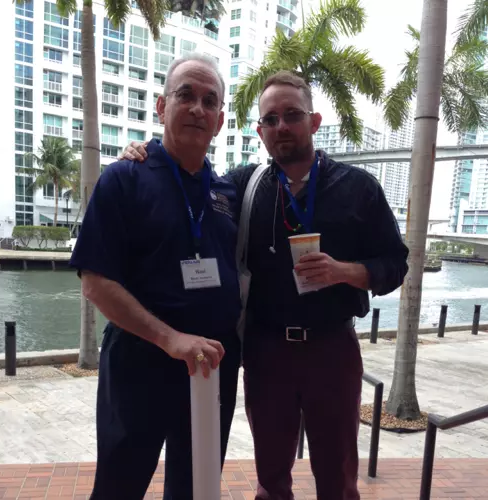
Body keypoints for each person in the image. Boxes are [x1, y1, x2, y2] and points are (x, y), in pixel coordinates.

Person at [121, 70, 409, 500]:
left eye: (291, 115)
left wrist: (344, 271)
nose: (281, 127)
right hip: (267, 353)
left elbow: (396, 264)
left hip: (332, 350)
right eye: (270, 119)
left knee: (339, 479)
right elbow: (189, 180)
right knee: (271, 480)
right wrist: (143, 153)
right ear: (259, 130)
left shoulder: (358, 188)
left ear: (313, 121)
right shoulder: (244, 186)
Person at [69, 54, 242, 500]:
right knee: (119, 486)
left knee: (196, 488)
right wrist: (170, 339)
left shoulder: (226, 192)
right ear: (162, 107)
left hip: (209, 368)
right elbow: (95, 282)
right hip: (139, 365)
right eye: (185, 95)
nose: (197, 108)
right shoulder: (125, 178)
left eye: (209, 101)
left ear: (220, 121)